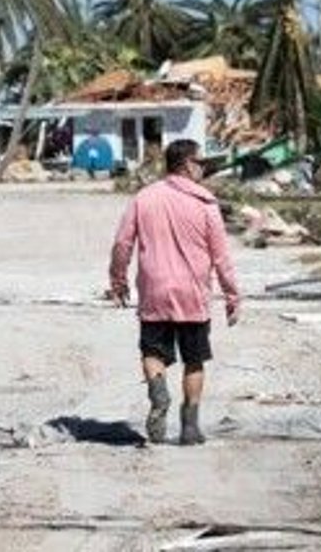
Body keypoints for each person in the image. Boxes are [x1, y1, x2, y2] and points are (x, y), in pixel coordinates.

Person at [108, 139, 240, 445]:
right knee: (194, 360)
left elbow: (122, 244)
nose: (203, 169)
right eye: (200, 163)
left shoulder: (144, 198)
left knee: (153, 352)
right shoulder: (206, 203)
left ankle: (158, 391)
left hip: (154, 291)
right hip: (192, 294)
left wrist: (118, 280)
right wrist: (232, 295)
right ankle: (190, 426)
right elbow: (221, 257)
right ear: (187, 164)